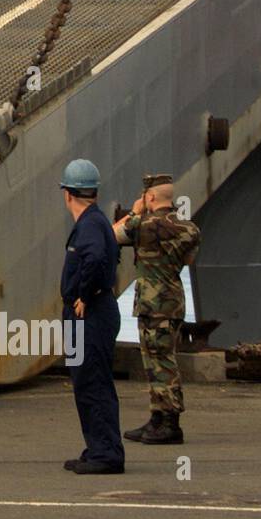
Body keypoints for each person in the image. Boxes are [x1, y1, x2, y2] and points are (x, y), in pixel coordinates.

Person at [114, 173, 201, 444]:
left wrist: (134, 211)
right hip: (172, 302)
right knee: (160, 360)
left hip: (151, 303)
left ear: (149, 196)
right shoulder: (189, 229)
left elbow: (111, 235)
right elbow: (187, 259)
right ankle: (157, 417)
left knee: (159, 362)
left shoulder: (141, 225)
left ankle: (170, 423)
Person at [58, 158, 125, 474]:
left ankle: (106, 455)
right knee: (87, 382)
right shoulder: (95, 222)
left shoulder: (89, 225)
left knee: (93, 382)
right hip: (89, 313)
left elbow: (96, 259)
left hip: (90, 314)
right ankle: (98, 447)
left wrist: (85, 295)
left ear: (67, 194)